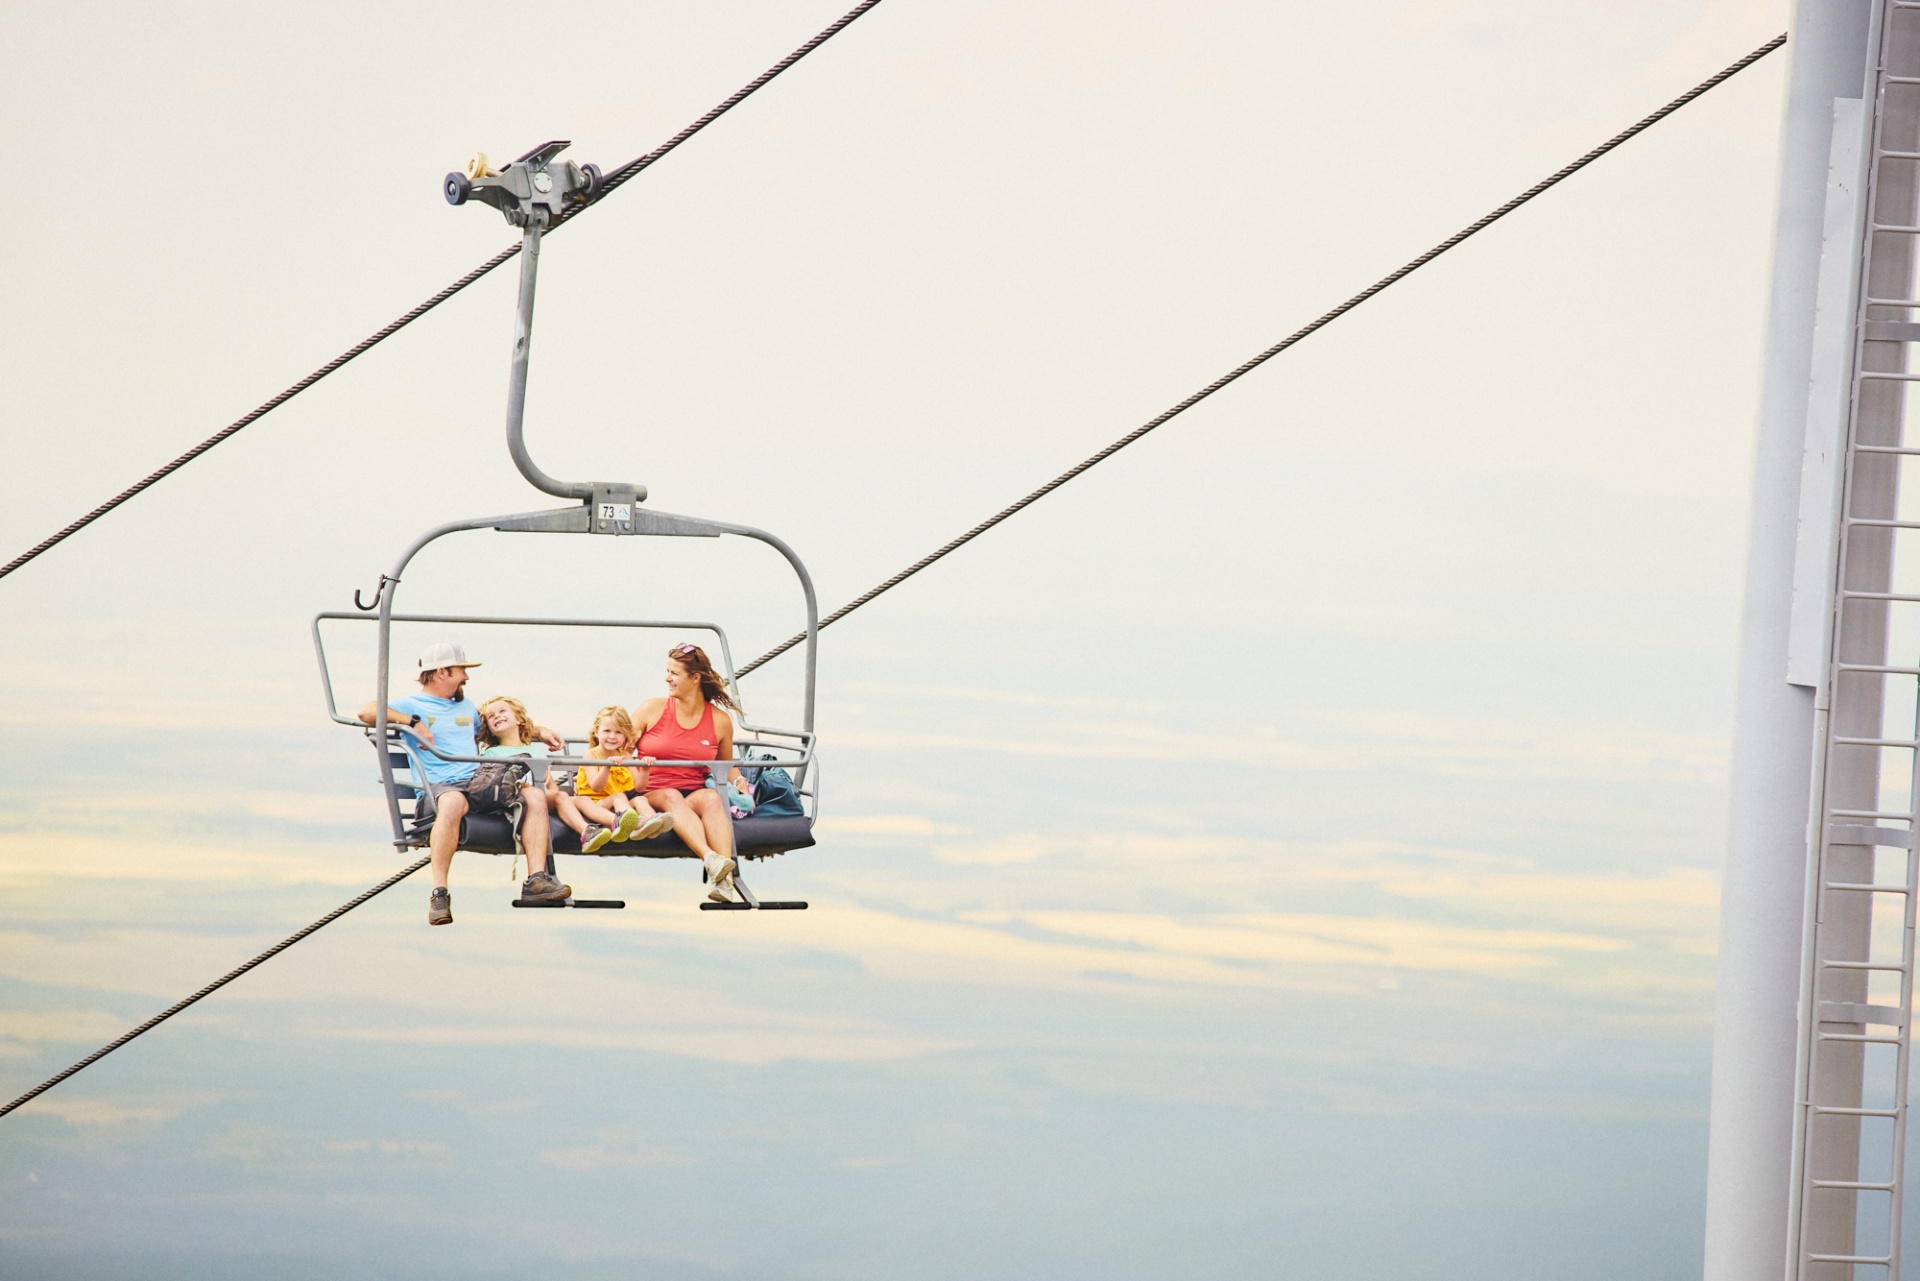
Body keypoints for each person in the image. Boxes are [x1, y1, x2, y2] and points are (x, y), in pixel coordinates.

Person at [358, 642, 569, 925]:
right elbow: (366, 712)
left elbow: (499, 732)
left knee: (532, 794)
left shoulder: (466, 708)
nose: (466, 678)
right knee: (454, 801)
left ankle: (536, 880)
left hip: (476, 784)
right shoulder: (413, 704)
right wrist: (412, 722)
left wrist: (538, 731)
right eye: (461, 671)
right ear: (442, 672)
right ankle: (439, 892)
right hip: (440, 789)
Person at [634, 643, 752, 902]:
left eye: (674, 673)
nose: (667, 678)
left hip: (693, 792)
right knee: (671, 797)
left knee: (711, 799)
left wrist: (740, 781)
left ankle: (724, 883)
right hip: (651, 791)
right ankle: (711, 858)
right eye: (668, 671)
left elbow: (726, 765)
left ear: (695, 678)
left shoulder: (719, 721)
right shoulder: (650, 710)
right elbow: (617, 749)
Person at [564, 705, 676, 852]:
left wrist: (645, 769)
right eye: (607, 731)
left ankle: (650, 821)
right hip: (596, 803)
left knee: (640, 799)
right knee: (619, 796)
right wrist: (606, 767)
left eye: (618, 732)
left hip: (619, 802)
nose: (612, 736)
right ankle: (628, 822)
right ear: (597, 732)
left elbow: (639, 788)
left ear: (625, 735)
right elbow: (596, 786)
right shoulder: (591, 755)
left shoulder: (626, 756)